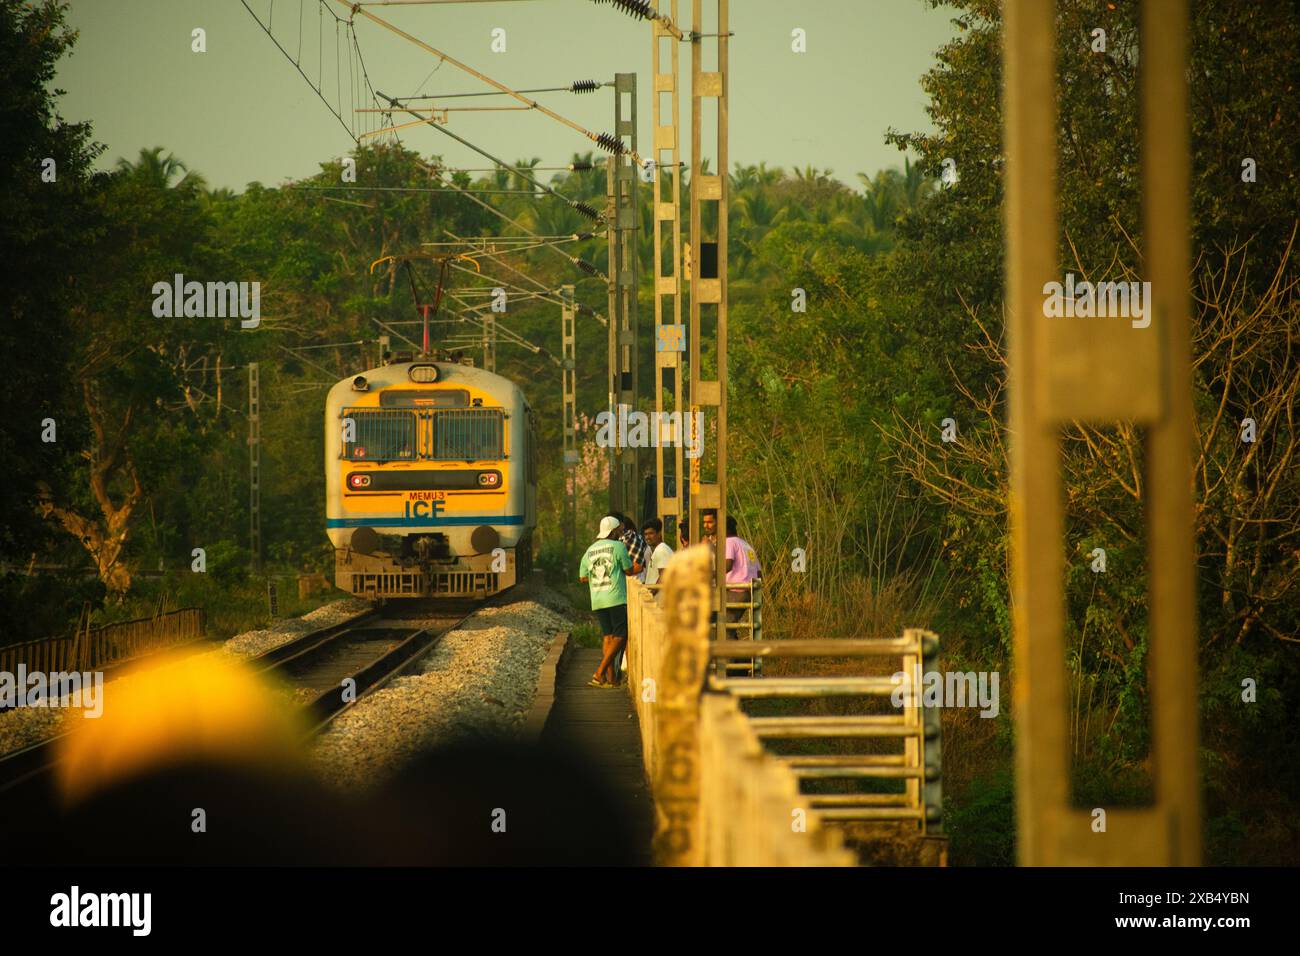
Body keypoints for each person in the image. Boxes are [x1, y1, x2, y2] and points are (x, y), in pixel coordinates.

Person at [578, 516, 635, 688]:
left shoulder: (589, 550)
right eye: (619, 530)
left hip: (597, 599)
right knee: (621, 635)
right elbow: (629, 570)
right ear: (614, 531)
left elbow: (582, 578)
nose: (621, 533)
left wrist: (598, 579)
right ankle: (599, 672)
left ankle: (611, 680)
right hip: (616, 598)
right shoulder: (618, 547)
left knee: (608, 636)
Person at [724, 514, 762, 631]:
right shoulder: (746, 545)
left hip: (735, 591)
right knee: (729, 627)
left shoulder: (728, 542)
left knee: (720, 627)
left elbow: (727, 565)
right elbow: (759, 573)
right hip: (750, 592)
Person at [639, 518, 674, 586]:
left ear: (659, 534)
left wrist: (650, 594)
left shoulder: (661, 550)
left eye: (651, 533)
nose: (647, 537)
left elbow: (664, 576)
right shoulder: (658, 549)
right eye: (645, 534)